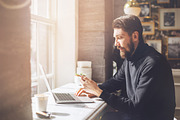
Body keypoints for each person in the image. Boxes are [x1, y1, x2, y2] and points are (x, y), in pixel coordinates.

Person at [76, 15, 176, 120]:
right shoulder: (130, 57)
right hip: (137, 116)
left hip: (148, 117)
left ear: (135, 36)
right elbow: (116, 81)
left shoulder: (153, 63)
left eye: (120, 37)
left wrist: (99, 92)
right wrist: (93, 88)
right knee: (106, 117)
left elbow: (135, 106)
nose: (116, 44)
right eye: (115, 38)